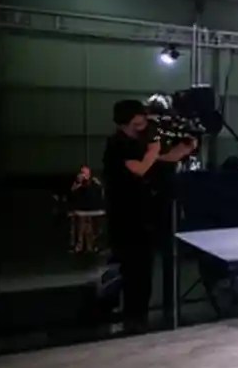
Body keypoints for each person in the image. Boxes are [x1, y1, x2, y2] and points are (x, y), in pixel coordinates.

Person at [102, 99, 197, 333]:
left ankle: (141, 319)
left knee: (144, 272)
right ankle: (132, 319)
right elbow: (140, 168)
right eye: (139, 117)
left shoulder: (139, 141)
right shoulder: (117, 144)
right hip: (125, 217)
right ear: (127, 120)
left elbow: (164, 159)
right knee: (133, 272)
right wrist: (154, 151)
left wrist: (184, 147)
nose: (144, 121)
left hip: (145, 216)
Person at [69, 165, 105, 254]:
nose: (84, 174)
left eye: (85, 172)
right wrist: (79, 184)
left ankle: (93, 247)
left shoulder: (94, 182)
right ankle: (79, 247)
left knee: (93, 230)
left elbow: (100, 192)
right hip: (81, 211)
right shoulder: (77, 183)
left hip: (93, 210)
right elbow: (72, 193)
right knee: (80, 230)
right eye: (82, 172)